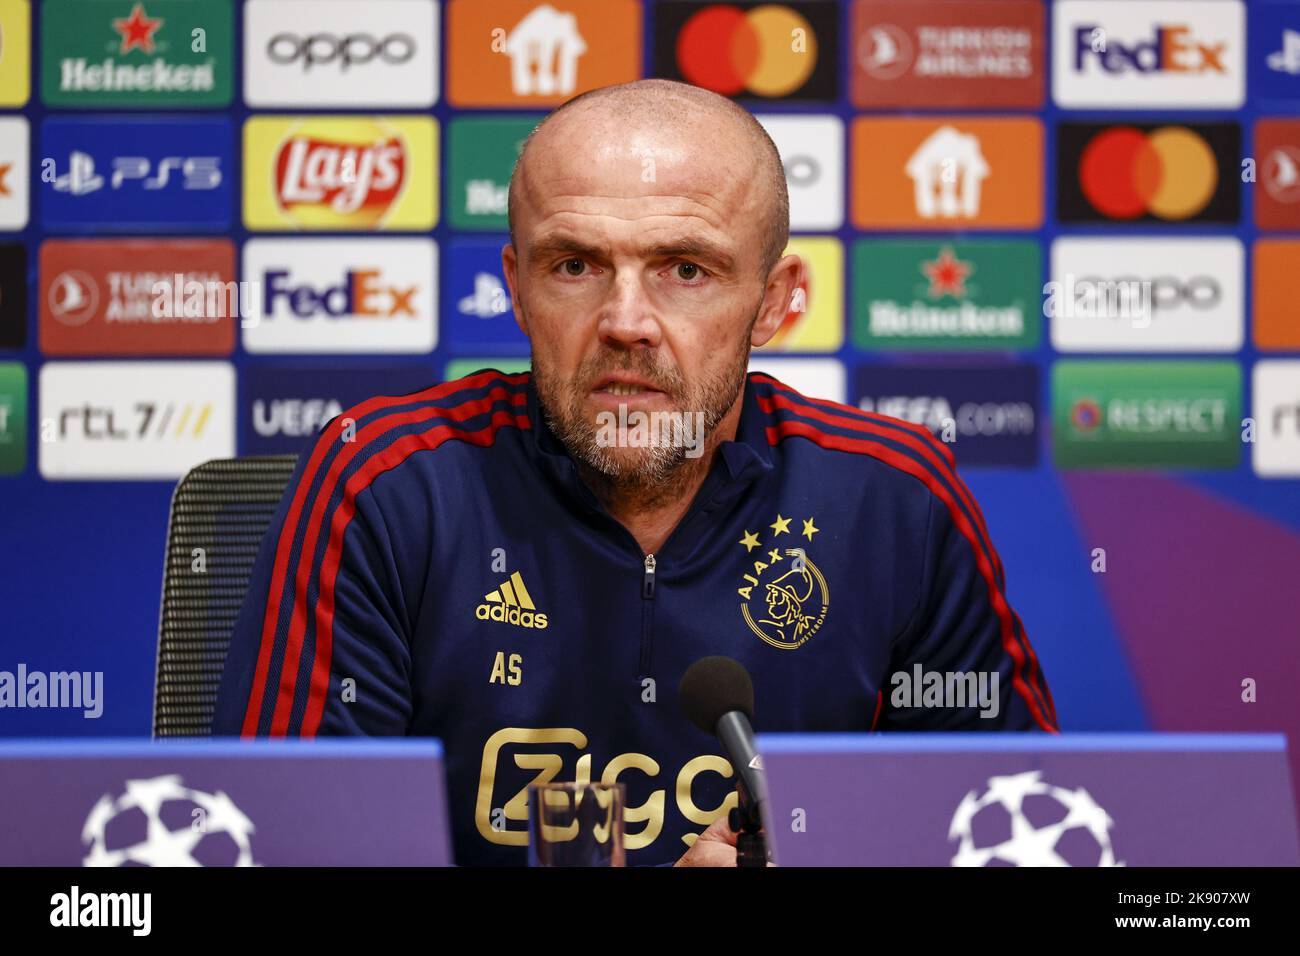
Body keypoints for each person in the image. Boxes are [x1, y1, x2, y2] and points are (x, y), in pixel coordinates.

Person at [213, 79, 1057, 867]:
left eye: (685, 270)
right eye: (574, 266)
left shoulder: (895, 501)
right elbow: (275, 851)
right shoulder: (384, 484)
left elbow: (1019, 836)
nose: (625, 322)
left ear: (774, 301)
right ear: (517, 287)